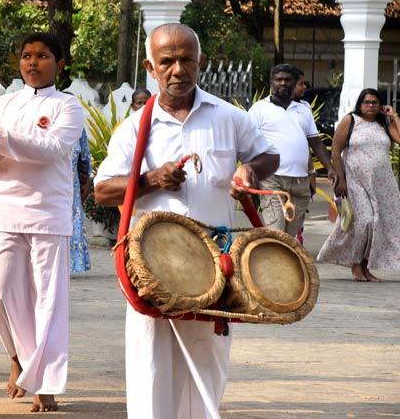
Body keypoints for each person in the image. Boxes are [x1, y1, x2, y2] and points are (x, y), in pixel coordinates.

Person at [94, 23, 278, 419]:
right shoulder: (132, 129)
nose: (178, 69)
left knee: (207, 365)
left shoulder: (228, 117)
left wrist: (250, 171)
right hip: (151, 269)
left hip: (214, 266)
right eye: (167, 61)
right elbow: (102, 190)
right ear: (150, 67)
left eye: (186, 60)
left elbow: (267, 155)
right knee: (151, 367)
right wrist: (151, 179)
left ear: (201, 62)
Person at [0, 32, 83, 413]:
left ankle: (46, 383)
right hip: (5, 209)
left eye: (42, 56)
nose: (33, 62)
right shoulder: (3, 105)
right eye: (26, 55)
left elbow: (53, 150)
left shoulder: (68, 107)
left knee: (48, 301)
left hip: (47, 213)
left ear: (59, 64)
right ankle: (19, 358)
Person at [317, 88, 400, 281]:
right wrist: (341, 179)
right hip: (356, 181)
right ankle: (356, 265)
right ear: (360, 104)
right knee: (365, 222)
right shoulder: (351, 120)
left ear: (380, 106)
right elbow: (336, 151)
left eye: (374, 102)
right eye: (367, 102)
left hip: (382, 183)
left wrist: (394, 115)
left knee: (378, 224)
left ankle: (366, 267)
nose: (370, 106)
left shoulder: (383, 124)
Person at [248, 64, 334, 237]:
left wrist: (330, 167)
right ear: (271, 82)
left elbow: (315, 142)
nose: (283, 83)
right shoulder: (259, 109)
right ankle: (272, 263)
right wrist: (249, 171)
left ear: (295, 83)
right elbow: (246, 142)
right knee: (276, 231)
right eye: (278, 80)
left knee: (290, 236)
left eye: (287, 80)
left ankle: (282, 263)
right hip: (271, 180)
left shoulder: (304, 109)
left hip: (300, 181)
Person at [70, 129, 92, 273]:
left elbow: (84, 157)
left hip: (70, 180)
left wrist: (87, 179)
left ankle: (69, 263)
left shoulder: (75, 120)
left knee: (71, 219)